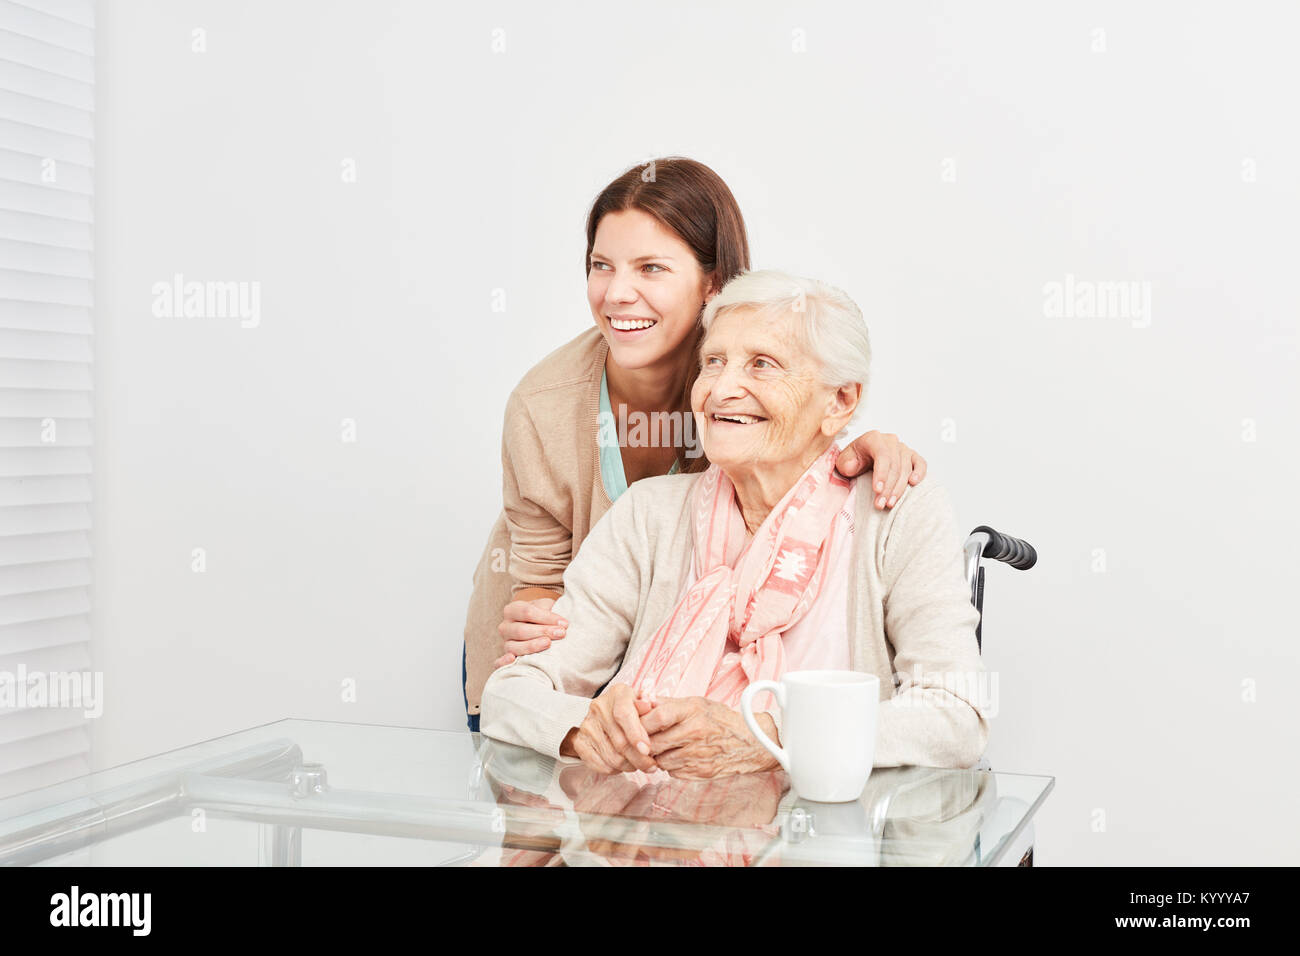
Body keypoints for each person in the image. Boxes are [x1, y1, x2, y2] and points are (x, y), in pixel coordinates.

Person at [462, 158, 930, 730]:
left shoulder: (735, 379)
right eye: (601, 266)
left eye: (651, 268)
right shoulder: (545, 405)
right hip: (575, 631)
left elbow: (803, 437)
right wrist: (548, 653)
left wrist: (857, 448)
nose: (617, 293)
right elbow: (542, 589)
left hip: (683, 675)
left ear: (713, 283)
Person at [480, 270, 988, 775]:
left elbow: (957, 714)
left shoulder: (897, 512)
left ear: (840, 401)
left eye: (762, 365)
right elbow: (510, 694)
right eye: (713, 362)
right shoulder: (647, 514)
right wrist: (583, 725)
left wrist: (768, 736)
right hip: (640, 839)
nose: (722, 389)